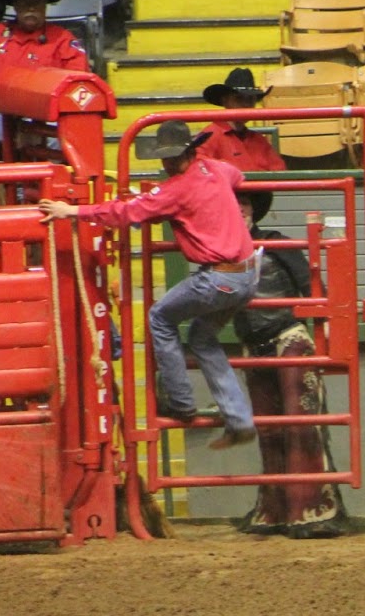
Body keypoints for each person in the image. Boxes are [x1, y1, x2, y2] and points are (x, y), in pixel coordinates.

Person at [39, 119, 257, 449]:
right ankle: (239, 418)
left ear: (180, 154)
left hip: (217, 278)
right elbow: (238, 177)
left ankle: (182, 403)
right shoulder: (215, 169)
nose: (166, 163)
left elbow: (126, 211)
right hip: (246, 275)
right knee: (201, 337)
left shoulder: (176, 189)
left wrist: (72, 211)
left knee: (159, 318)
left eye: (169, 157)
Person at [231, 193, 347, 538]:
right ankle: (282, 510)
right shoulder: (220, 248)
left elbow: (310, 285)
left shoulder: (276, 244)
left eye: (245, 205)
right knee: (270, 429)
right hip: (256, 346)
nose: (239, 210)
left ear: (254, 211)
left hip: (288, 338)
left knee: (300, 425)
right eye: (233, 204)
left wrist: (326, 332)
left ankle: (310, 510)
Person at [0, 0, 89, 142]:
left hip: (46, 112)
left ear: (45, 7)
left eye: (36, 3)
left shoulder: (63, 39)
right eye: (25, 3)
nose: (30, 8)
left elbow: (78, 81)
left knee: (63, 133)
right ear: (15, 6)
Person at [196, 67, 288, 173]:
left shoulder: (259, 140)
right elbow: (198, 166)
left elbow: (279, 171)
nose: (245, 105)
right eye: (239, 99)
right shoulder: (210, 136)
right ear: (225, 101)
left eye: (250, 100)